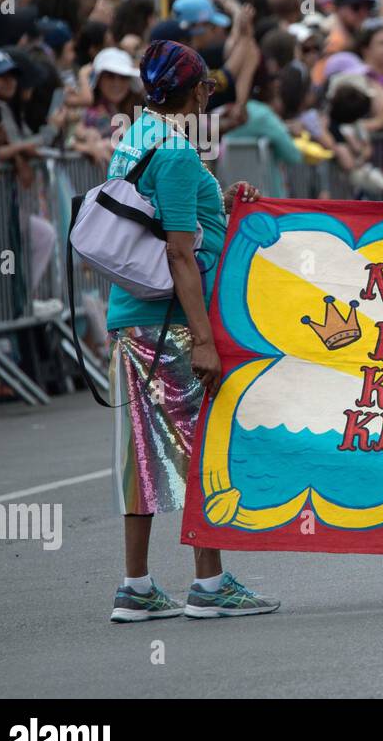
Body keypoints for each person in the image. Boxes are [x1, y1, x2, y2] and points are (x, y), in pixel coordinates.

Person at [105, 39, 280, 622]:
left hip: (132, 319)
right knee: (198, 449)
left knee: (140, 456)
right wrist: (203, 339)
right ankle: (209, 584)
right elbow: (181, 255)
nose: (210, 96)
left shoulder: (134, 137)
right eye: (206, 87)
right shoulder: (176, 153)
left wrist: (222, 203)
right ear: (188, 91)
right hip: (172, 324)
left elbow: (167, 224)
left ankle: (136, 585)